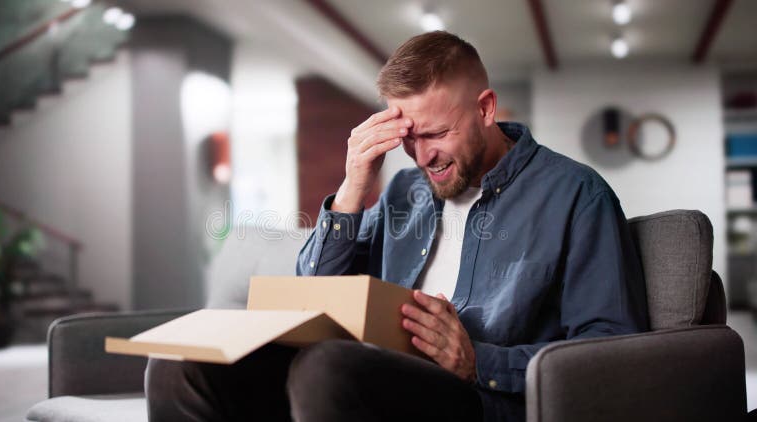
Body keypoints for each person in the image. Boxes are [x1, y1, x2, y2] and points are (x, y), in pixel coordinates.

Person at [145, 31, 649, 422]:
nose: (423, 155)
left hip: (479, 398)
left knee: (328, 369)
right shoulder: (405, 191)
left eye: (437, 133)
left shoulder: (576, 195)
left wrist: (479, 361)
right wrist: (351, 189)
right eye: (410, 138)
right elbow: (316, 295)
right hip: (372, 373)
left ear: (486, 109)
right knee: (184, 363)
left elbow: (609, 352)